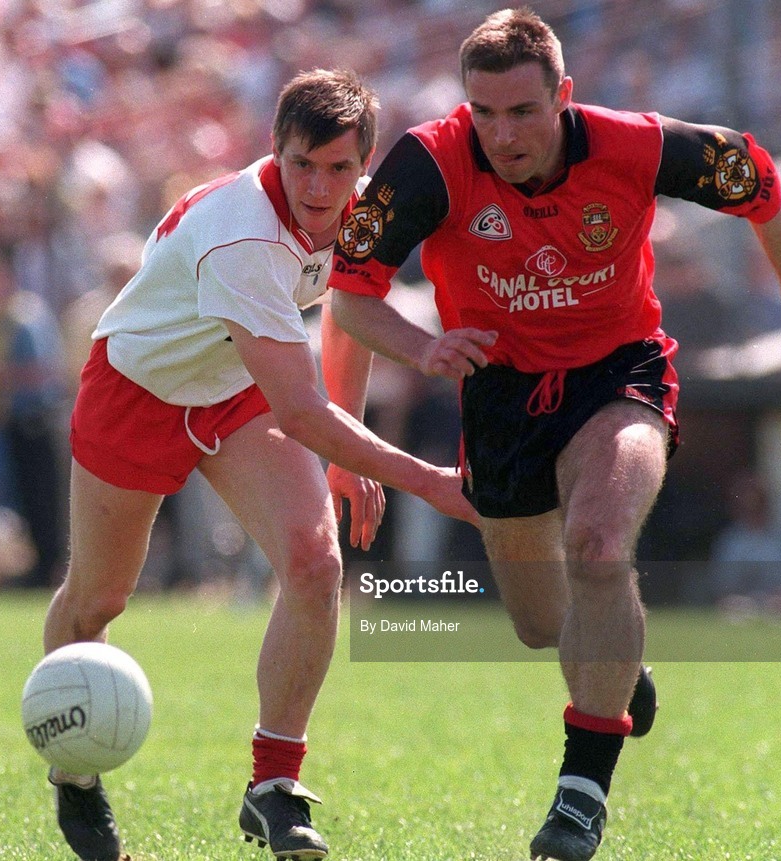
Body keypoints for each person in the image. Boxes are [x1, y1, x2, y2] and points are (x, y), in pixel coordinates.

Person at [328, 9, 781, 861]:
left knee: (597, 545)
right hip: (498, 394)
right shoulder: (427, 164)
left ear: (565, 97)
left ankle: (579, 799)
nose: (502, 135)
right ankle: (618, 671)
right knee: (544, 624)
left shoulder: (639, 145)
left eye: (522, 112)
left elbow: (765, 189)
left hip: (621, 371)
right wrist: (420, 348)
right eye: (485, 113)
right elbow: (351, 292)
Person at [41, 68, 475, 861]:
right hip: (139, 387)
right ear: (275, 149)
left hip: (240, 388)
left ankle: (273, 785)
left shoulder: (363, 209)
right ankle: (73, 773)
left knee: (314, 562)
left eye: (339, 168)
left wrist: (345, 463)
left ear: (362, 164)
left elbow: (348, 310)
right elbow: (307, 414)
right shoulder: (245, 232)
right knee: (96, 601)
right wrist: (433, 483)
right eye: (303, 163)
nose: (319, 185)